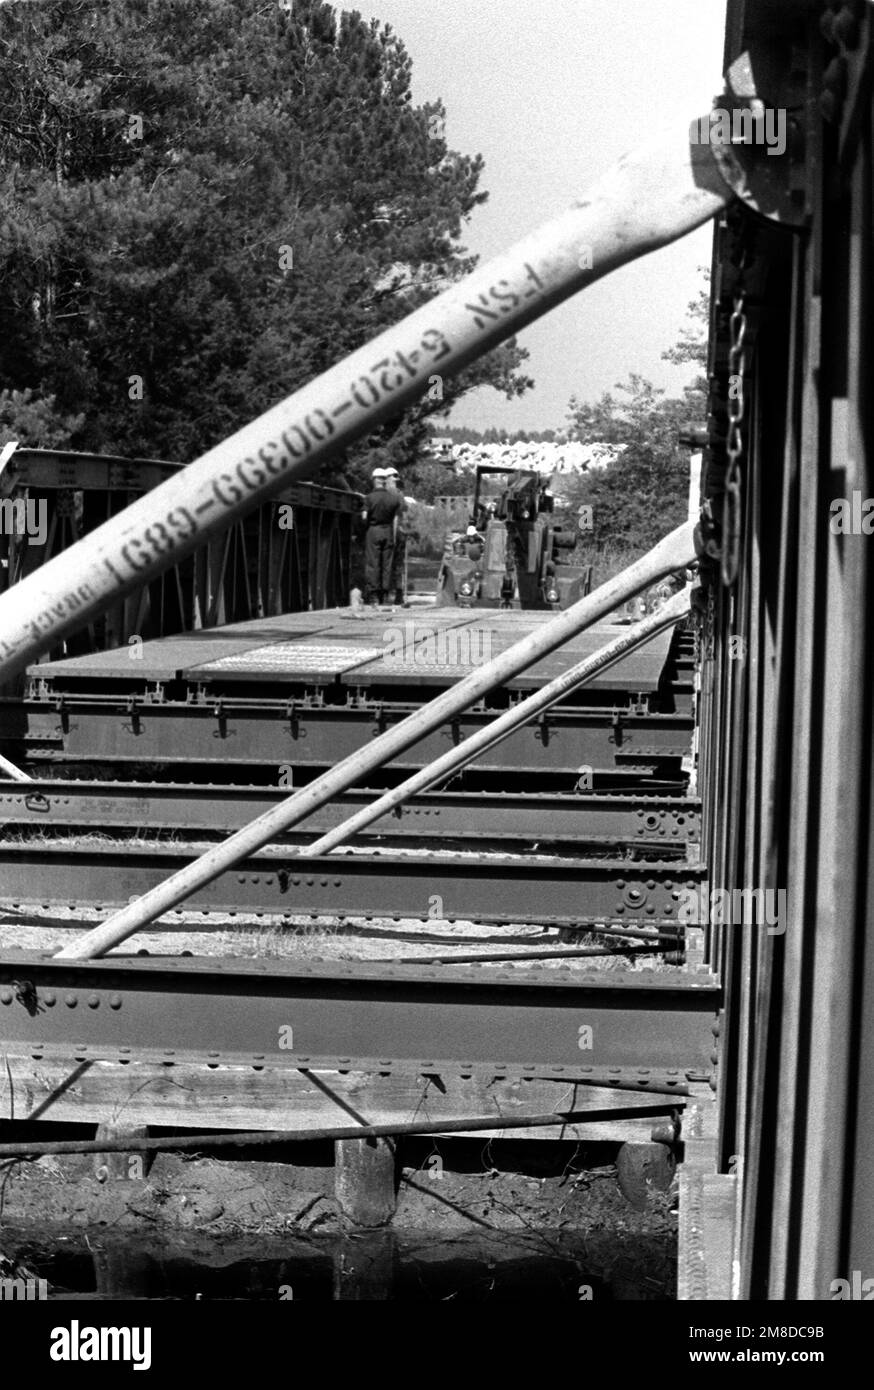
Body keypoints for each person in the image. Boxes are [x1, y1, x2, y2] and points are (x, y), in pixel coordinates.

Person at [362, 466, 401, 605]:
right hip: (388, 531)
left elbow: (364, 517)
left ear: (374, 480)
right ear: (384, 481)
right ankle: (384, 594)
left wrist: (362, 529)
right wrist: (394, 537)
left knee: (373, 563)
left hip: (373, 531)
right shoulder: (394, 499)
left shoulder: (369, 498)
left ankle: (373, 595)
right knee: (386, 565)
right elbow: (396, 519)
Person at [384, 466, 409, 604]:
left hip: (389, 531)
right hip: (398, 531)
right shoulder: (399, 494)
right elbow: (404, 510)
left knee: (387, 563)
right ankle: (398, 593)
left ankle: (387, 593)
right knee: (398, 564)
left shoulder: (386, 493)